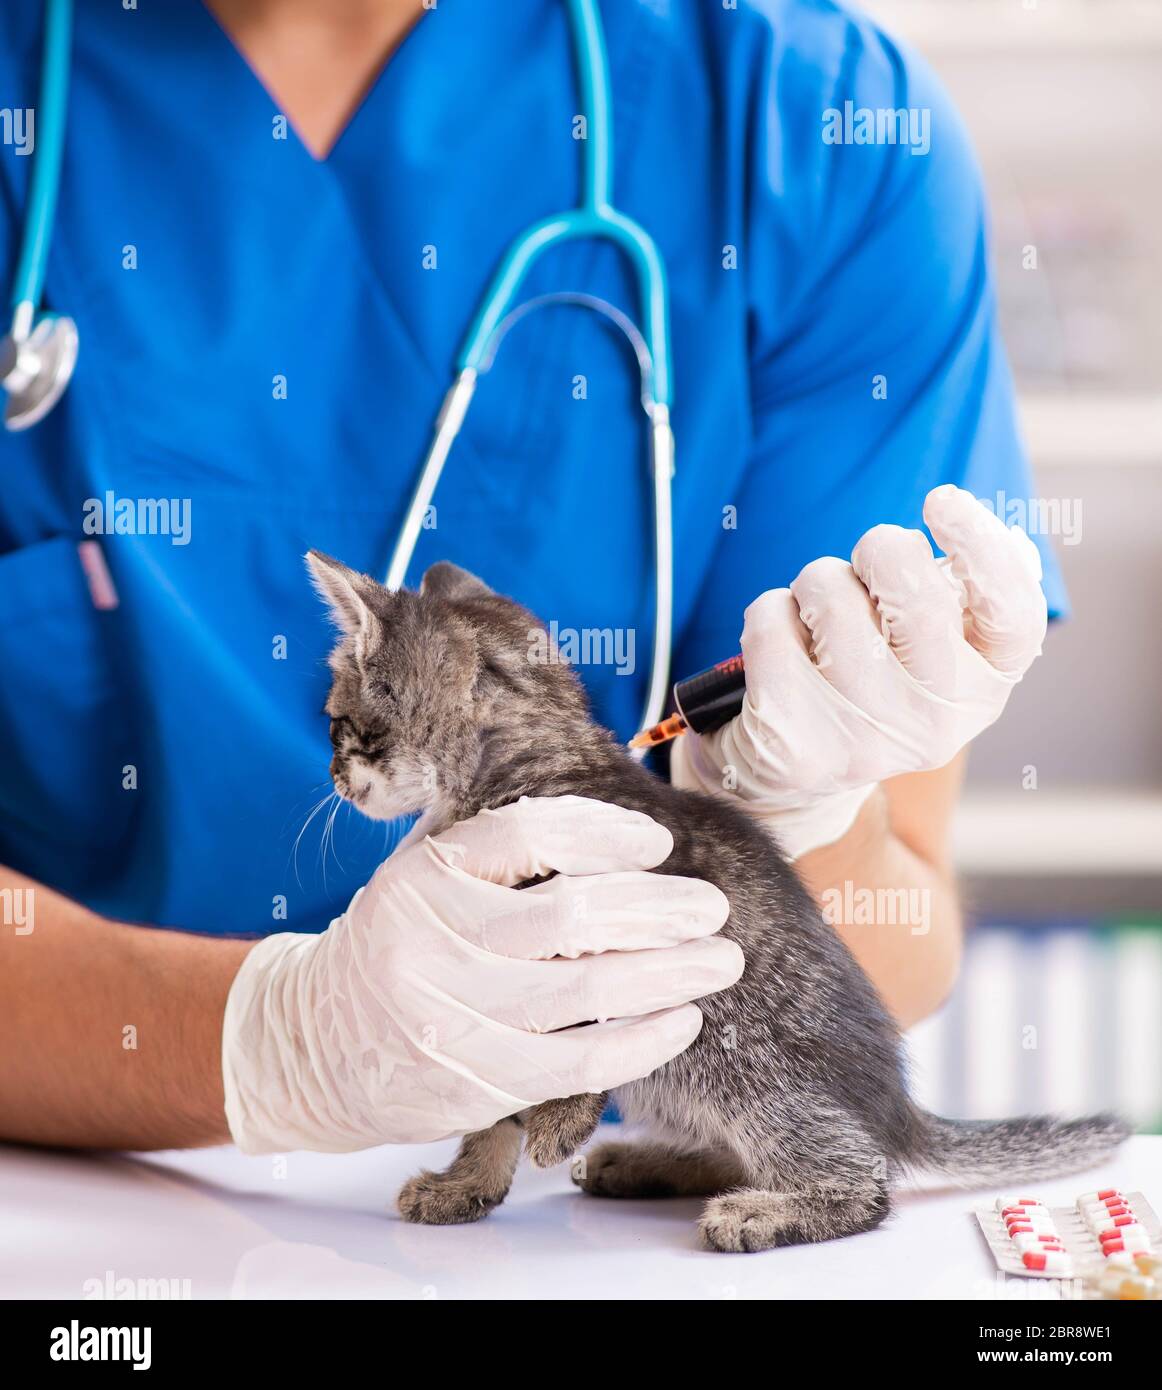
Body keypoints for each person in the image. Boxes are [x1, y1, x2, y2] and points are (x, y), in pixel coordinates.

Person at [0, 0, 1057, 1156]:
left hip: (595, 1193)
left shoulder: (804, 124)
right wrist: (264, 1045)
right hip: (84, 1176)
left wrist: (803, 815)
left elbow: (894, 943)